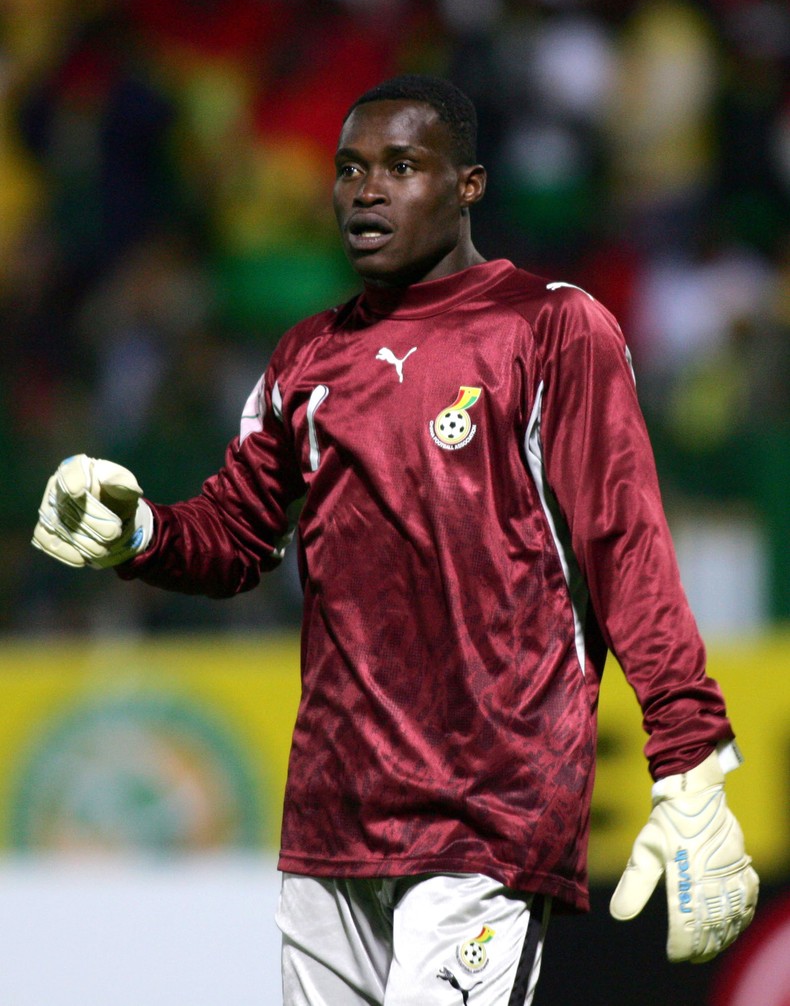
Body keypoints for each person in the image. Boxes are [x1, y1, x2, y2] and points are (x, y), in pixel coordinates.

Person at [33, 75, 758, 1006]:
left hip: (487, 814)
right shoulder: (308, 358)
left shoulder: (549, 328)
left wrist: (689, 757)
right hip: (330, 822)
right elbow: (236, 536)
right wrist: (135, 531)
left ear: (469, 186)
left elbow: (625, 546)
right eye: (349, 170)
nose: (366, 191)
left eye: (402, 167)